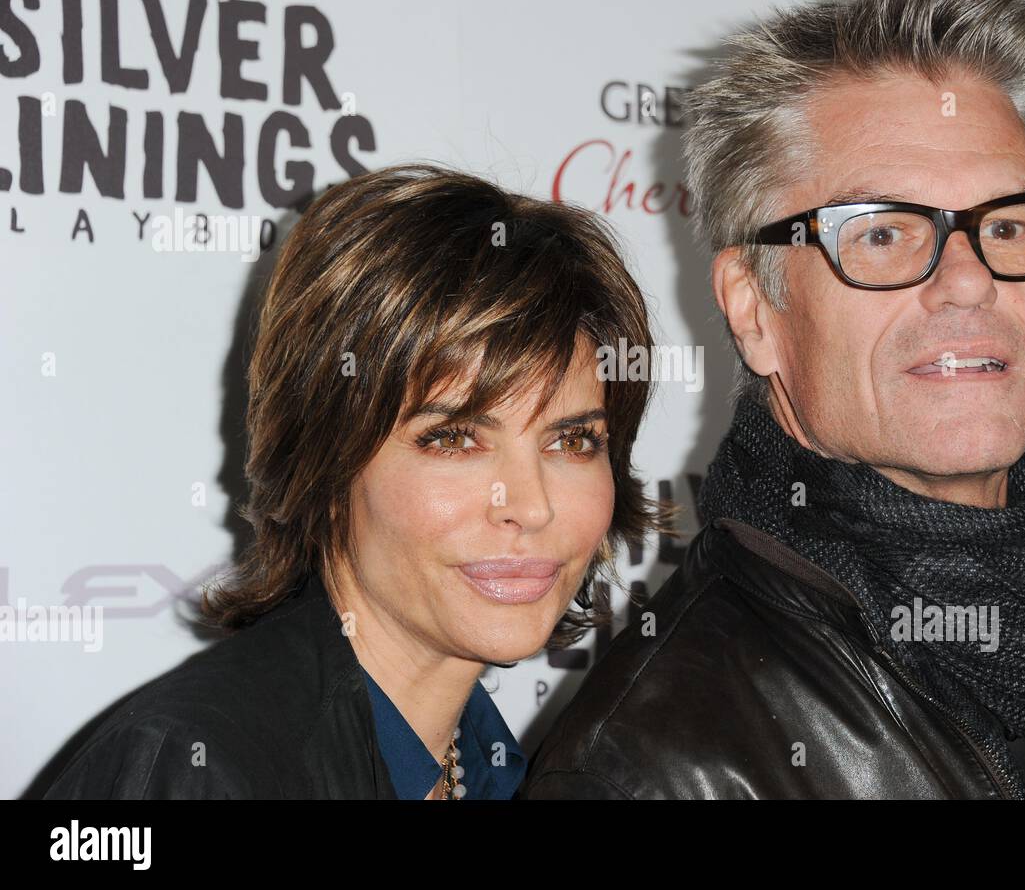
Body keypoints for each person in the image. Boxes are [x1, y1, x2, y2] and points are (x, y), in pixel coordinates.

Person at [523, 0, 1025, 799]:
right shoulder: (650, 762)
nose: (968, 280)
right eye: (882, 233)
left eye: (1011, 224)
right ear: (754, 309)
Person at [44, 163, 663, 799]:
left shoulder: (502, 772)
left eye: (572, 441)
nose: (530, 506)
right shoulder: (197, 770)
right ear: (328, 463)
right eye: (453, 439)